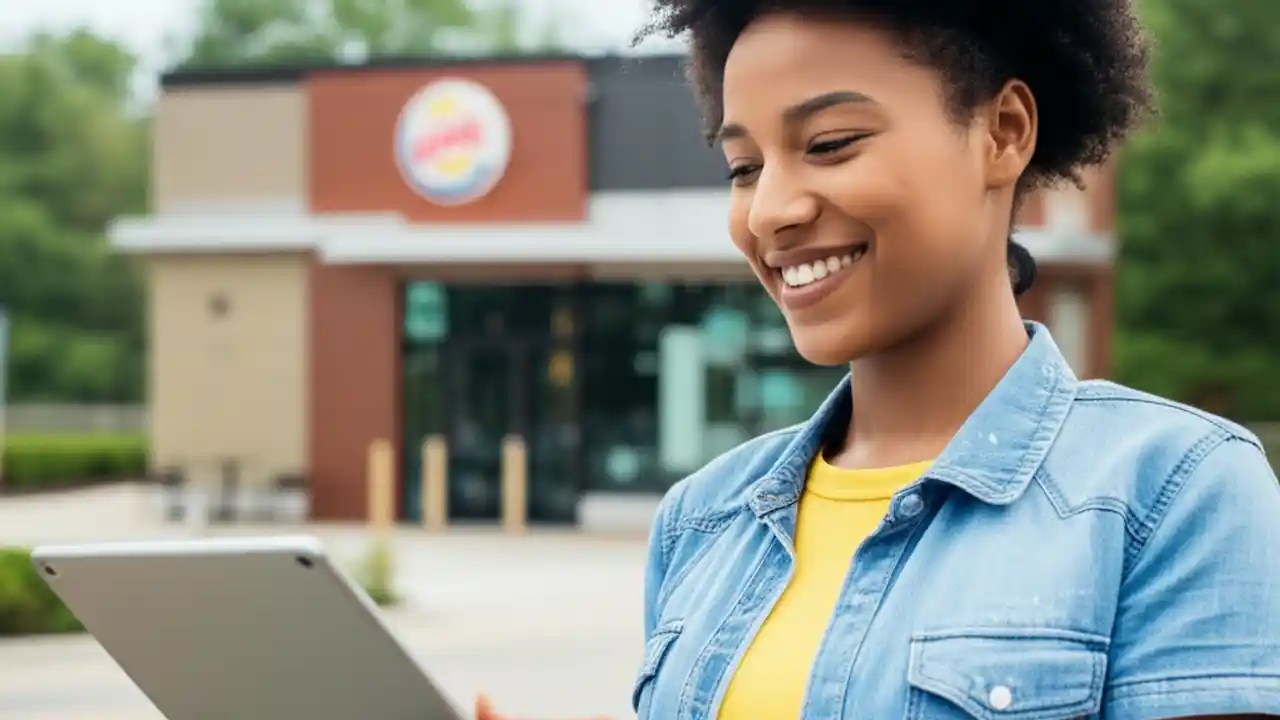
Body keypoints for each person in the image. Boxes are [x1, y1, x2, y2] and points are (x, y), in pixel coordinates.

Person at [483, 1, 1280, 718]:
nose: (770, 212)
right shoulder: (702, 520)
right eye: (744, 168)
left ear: (1003, 131)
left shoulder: (1173, 494)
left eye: (829, 144)